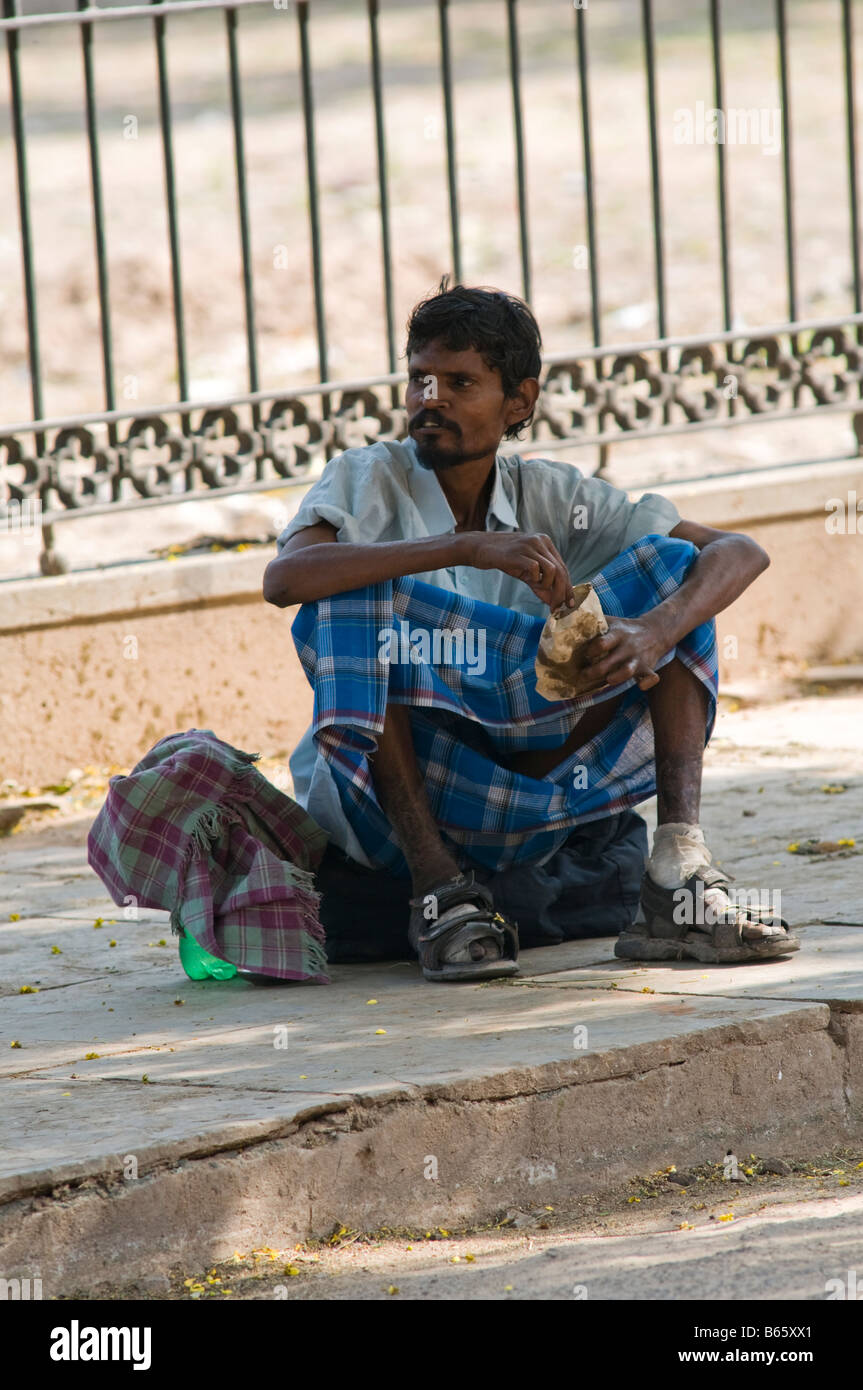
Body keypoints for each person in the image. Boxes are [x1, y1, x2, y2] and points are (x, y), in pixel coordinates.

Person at [263, 279, 797, 983]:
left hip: (530, 786)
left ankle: (677, 871)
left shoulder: (553, 496)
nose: (431, 399)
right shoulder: (368, 479)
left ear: (519, 401)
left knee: (675, 570)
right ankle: (438, 895)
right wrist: (463, 548)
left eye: (460, 382)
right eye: (419, 379)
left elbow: (738, 552)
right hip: (395, 806)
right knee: (353, 595)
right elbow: (285, 581)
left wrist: (655, 633)